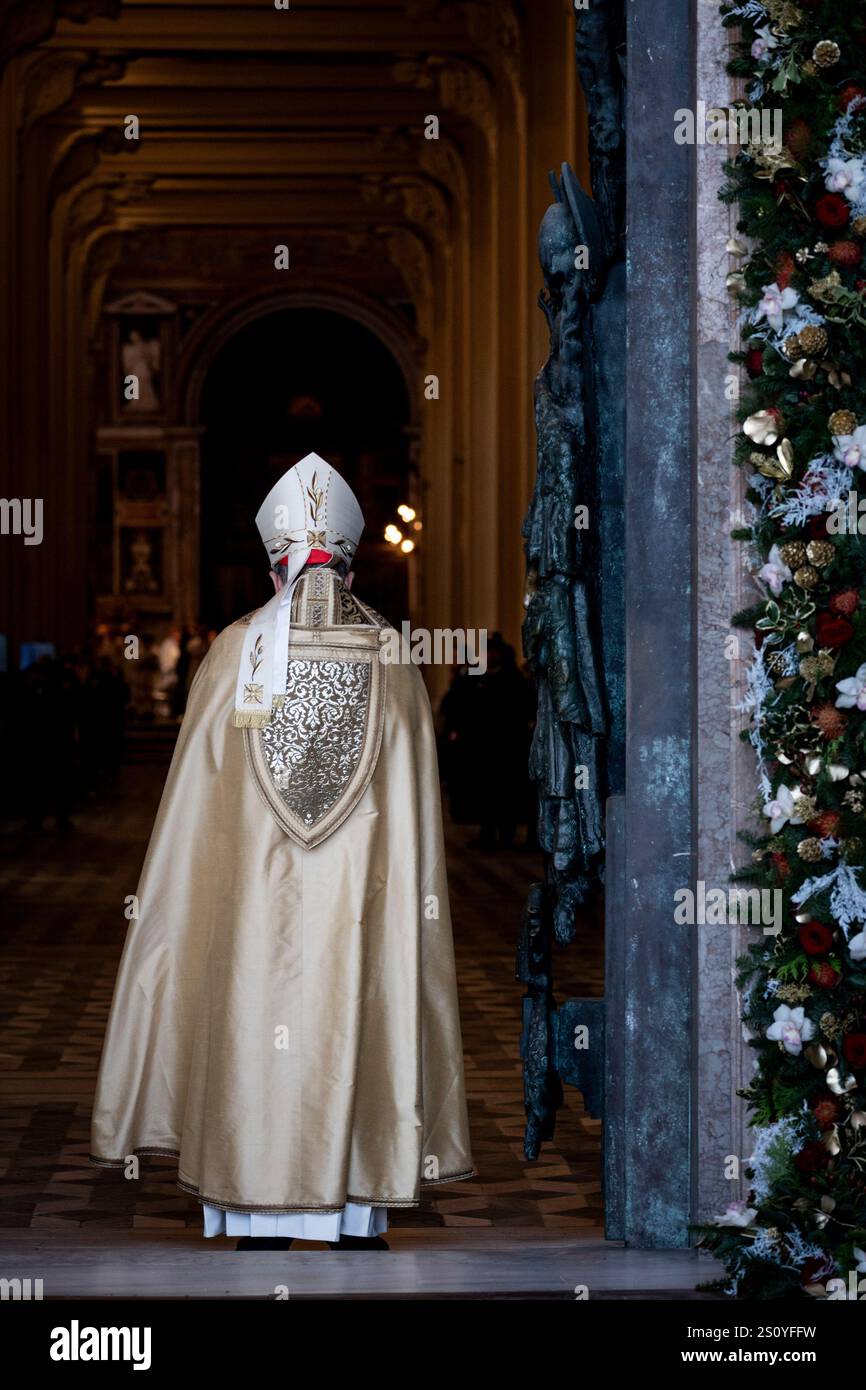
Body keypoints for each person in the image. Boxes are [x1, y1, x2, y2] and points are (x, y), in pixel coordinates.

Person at [90, 452, 474, 1251]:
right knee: (360, 1004)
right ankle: (355, 1210)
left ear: (276, 562)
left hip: (253, 916)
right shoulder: (393, 655)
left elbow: (192, 820)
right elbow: (413, 817)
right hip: (362, 908)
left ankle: (252, 1205)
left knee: (252, 1008)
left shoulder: (235, 650)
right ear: (351, 556)